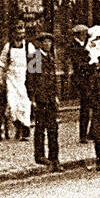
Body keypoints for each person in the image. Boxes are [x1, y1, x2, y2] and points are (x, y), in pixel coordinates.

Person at [25, 32, 60, 170]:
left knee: (53, 129)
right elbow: (30, 79)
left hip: (50, 98)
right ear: (40, 43)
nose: (47, 44)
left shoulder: (51, 57)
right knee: (40, 128)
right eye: (44, 42)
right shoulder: (35, 57)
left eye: (49, 42)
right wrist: (32, 97)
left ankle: (54, 157)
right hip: (40, 98)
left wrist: (56, 96)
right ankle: (39, 155)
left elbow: (53, 79)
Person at [0, 21, 33, 140]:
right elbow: (1, 64)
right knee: (12, 105)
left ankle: (26, 127)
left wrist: (35, 78)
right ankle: (18, 125)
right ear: (13, 34)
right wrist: (1, 78)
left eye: (22, 33)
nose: (20, 36)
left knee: (25, 103)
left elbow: (36, 65)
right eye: (17, 33)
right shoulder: (8, 47)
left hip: (24, 78)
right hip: (11, 79)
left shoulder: (29, 46)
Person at [68, 24, 94, 141]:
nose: (85, 36)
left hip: (91, 78)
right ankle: (83, 135)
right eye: (83, 34)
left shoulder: (88, 44)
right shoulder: (73, 46)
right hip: (80, 79)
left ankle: (91, 131)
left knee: (92, 105)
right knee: (85, 105)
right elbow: (77, 63)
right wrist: (90, 60)